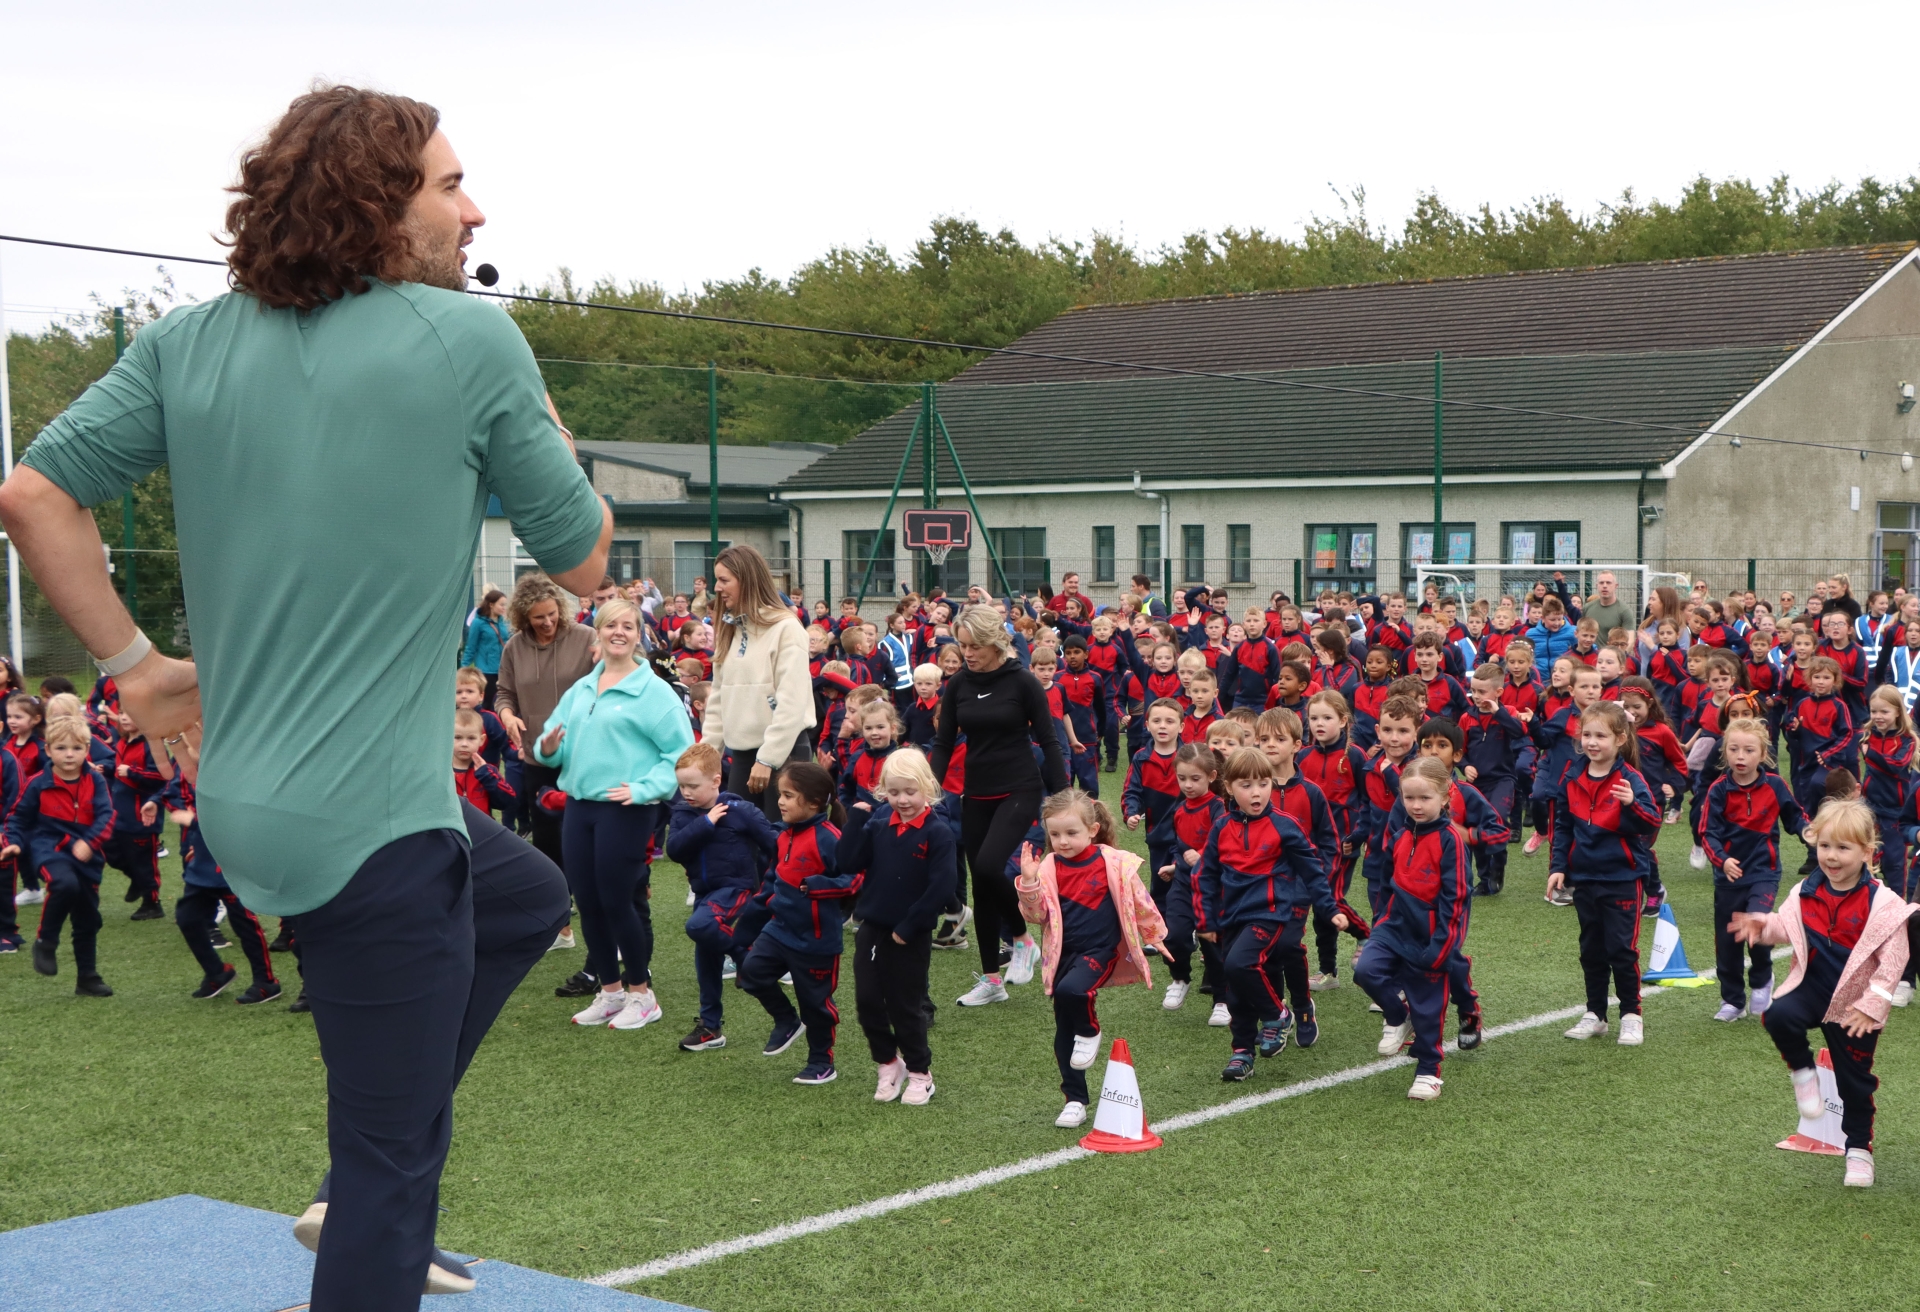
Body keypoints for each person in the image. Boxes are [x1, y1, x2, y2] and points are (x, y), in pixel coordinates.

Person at [0, 86, 623, 1307]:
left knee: (524, 894)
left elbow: (30, 497)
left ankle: (364, 1178)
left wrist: (135, 670)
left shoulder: (187, 341)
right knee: (390, 1180)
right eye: (450, 186)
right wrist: (536, 405)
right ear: (379, 206)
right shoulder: (472, 339)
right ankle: (370, 1202)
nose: (474, 208)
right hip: (370, 826)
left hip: (248, 800)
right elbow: (588, 555)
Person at [1735, 797, 1919, 1188]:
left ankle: (1858, 1150)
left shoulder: (1882, 902)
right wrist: (1763, 926)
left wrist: (1874, 1004)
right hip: (1814, 988)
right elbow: (1786, 927)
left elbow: (1894, 958)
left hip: (1855, 1006)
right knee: (1778, 1013)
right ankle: (1803, 1073)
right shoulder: (1805, 890)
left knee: (1855, 1081)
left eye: (1843, 848)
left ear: (1868, 852)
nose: (1831, 857)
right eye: (1824, 846)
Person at [536, 598, 693, 1032]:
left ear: (639, 633)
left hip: (625, 810)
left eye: (628, 625)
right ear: (598, 633)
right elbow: (552, 746)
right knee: (587, 902)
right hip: (579, 807)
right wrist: (549, 748)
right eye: (610, 626)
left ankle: (642, 995)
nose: (618, 632)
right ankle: (610, 993)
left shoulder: (655, 691)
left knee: (616, 900)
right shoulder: (583, 687)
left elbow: (680, 756)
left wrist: (644, 789)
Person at [928, 604, 1069, 1007]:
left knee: (990, 866)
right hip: (976, 794)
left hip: (1020, 788)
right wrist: (928, 789)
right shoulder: (958, 685)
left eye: (974, 646)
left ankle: (1023, 940)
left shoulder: (1023, 682)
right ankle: (992, 979)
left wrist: (1063, 800)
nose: (967, 653)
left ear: (996, 644)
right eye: (962, 645)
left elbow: (1049, 741)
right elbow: (942, 744)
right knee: (983, 885)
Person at [1015, 787, 1168, 1126]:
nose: (1062, 841)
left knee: (1074, 992)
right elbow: (1036, 915)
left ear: (1092, 830)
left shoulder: (1113, 862)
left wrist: (1155, 936)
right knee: (1061, 1031)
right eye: (1055, 834)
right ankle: (1075, 1100)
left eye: (1071, 833)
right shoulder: (1049, 867)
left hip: (1100, 950)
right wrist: (1028, 884)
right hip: (1063, 954)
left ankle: (1091, 1030)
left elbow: (1139, 902)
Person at [1197, 746, 1342, 1083]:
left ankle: (1278, 1014)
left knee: (1239, 964)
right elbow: (1205, 875)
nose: (1256, 792)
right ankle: (1242, 1052)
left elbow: (1313, 870)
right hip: (1231, 917)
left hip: (1270, 914)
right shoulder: (1221, 827)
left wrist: (1328, 906)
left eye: (1262, 783)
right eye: (1246, 785)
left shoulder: (1284, 825)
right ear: (1229, 788)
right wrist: (1205, 918)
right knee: (1234, 985)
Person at [1353, 755, 1472, 1101]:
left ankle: (1429, 1070)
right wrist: (1380, 924)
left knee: (1428, 1008)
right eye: (1409, 798)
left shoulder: (1451, 840)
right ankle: (1396, 1014)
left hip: (1431, 936)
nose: (1416, 806)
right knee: (1365, 970)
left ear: (1446, 796)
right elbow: (1386, 882)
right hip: (1393, 928)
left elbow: (1457, 899)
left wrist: (1442, 945)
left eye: (1425, 798)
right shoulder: (1401, 833)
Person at [840, 748, 954, 1107]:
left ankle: (921, 1073)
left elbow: (942, 885)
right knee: (867, 1001)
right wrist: (856, 821)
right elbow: (845, 861)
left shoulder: (938, 832)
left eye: (910, 792)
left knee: (906, 1005)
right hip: (872, 926)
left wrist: (910, 925)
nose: (902, 800)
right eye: (893, 792)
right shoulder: (877, 823)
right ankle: (888, 1064)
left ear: (926, 790)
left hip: (910, 933)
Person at [1546, 702, 1662, 1045]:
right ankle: (1595, 1013)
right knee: (1591, 949)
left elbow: (1651, 824)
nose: (1592, 742)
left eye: (1601, 735)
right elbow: (1563, 825)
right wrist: (1559, 867)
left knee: (1621, 950)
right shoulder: (1573, 775)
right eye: (1587, 735)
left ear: (1621, 739)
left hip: (1623, 878)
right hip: (1585, 878)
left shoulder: (1630, 780)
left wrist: (1631, 804)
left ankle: (1631, 1015)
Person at [737, 762, 854, 1084]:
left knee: (815, 1005)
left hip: (817, 940)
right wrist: (743, 930)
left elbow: (857, 878)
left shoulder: (829, 838)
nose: (781, 801)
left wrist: (822, 886)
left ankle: (821, 1062)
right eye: (780, 795)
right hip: (779, 930)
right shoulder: (783, 835)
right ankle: (786, 1020)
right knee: (751, 973)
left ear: (815, 802)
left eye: (789, 795)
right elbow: (771, 884)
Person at [667, 741, 779, 1053]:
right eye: (682, 786)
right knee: (706, 960)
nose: (686, 793)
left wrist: (771, 886)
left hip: (737, 890)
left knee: (698, 927)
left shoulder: (740, 809)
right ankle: (710, 1026)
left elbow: (776, 845)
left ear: (716, 781)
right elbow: (674, 850)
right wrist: (705, 823)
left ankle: (747, 957)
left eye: (693, 786)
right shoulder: (683, 814)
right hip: (705, 893)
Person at [1701, 717, 1808, 1021]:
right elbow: (1707, 832)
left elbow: (1794, 817)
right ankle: (1732, 1001)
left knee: (1757, 925)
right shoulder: (1718, 790)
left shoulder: (1774, 784)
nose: (1740, 756)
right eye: (1733, 749)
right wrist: (1722, 859)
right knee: (1728, 940)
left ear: (1762, 754)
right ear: (1725, 753)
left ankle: (1762, 981)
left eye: (1748, 750)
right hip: (1728, 878)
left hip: (1764, 872)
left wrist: (1808, 832)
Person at [702, 544, 818, 823]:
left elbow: (792, 701)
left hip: (785, 755)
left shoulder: (787, 629)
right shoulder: (729, 629)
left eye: (724, 580)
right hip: (742, 757)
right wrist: (705, 756)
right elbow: (718, 697)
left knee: (779, 849)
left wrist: (768, 759)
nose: (717, 588)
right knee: (740, 845)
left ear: (747, 580)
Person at [4, 717, 116, 996]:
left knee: (88, 918)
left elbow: (107, 815)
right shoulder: (37, 784)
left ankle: (87, 978)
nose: (69, 754)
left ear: (87, 749)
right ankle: (46, 940)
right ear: (48, 749)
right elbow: (16, 819)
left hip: (87, 855)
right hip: (50, 847)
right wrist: (14, 843)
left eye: (77, 748)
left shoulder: (96, 780)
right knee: (64, 883)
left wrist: (90, 842)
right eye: (62, 748)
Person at [495, 572, 599, 868]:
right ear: (523, 616)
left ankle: (586, 888)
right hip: (536, 755)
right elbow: (504, 693)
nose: (548, 622)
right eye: (538, 617)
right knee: (545, 831)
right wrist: (507, 716)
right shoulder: (514, 647)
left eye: (552, 614)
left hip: (581, 751)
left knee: (582, 827)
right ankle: (556, 897)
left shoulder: (586, 637)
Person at [166, 772, 281, 1004]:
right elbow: (172, 790)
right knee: (187, 917)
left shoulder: (233, 767)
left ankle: (266, 981)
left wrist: (195, 821)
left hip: (231, 863)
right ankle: (217, 972)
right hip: (201, 864)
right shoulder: (191, 765)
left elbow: (239, 811)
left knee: (245, 924)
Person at [461, 588, 510, 707]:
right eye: (501, 604)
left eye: (505, 605)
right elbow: (470, 648)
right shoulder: (478, 623)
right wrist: (463, 670)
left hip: (503, 669)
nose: (504, 608)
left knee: (503, 701)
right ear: (491, 605)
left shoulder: (503, 623)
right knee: (489, 703)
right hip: (486, 670)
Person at [1582, 570, 1636, 640]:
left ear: (1616, 586)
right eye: (1601, 583)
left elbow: (1630, 640)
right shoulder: (1587, 608)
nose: (1604, 586)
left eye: (1608, 583)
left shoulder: (1624, 611)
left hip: (1614, 650)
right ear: (1597, 586)